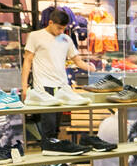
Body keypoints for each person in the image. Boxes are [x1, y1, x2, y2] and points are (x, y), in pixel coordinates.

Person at [21, 9, 94, 145]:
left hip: (62, 87)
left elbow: (77, 60)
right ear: (50, 22)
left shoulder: (66, 39)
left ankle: (55, 163)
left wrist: (91, 68)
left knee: (56, 129)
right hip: (43, 87)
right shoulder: (35, 36)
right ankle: (49, 161)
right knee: (48, 129)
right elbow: (27, 61)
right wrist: (24, 87)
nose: (61, 31)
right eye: (59, 28)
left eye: (64, 29)